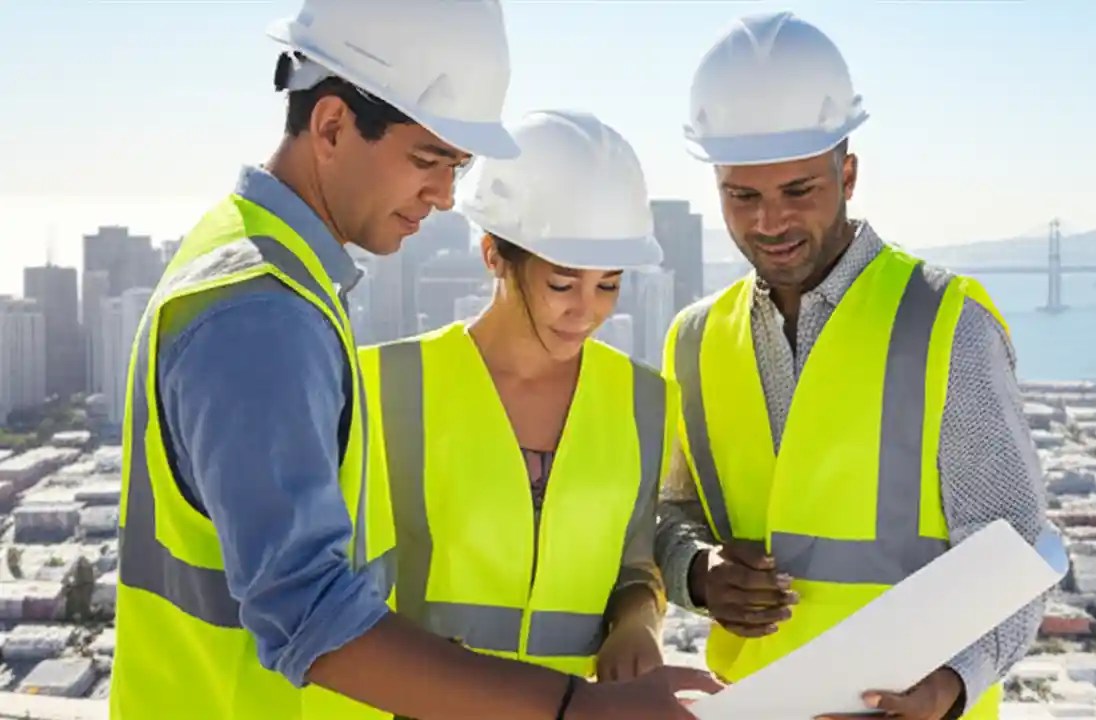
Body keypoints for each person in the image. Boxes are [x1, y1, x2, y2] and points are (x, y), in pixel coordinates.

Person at [108, 2, 715, 718]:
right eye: (428, 160)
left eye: (457, 167)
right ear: (332, 125)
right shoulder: (261, 312)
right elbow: (311, 616)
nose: (445, 195)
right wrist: (574, 709)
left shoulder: (272, 276)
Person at [655, 11, 1051, 720]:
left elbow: (1013, 548)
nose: (769, 223)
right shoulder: (693, 339)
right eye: (742, 196)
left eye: (798, 191)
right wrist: (697, 572)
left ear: (849, 173)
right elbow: (667, 514)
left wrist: (953, 686)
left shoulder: (946, 323)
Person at [358, 109, 719, 718]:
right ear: (494, 254)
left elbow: (634, 563)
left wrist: (639, 626)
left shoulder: (643, 399)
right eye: (562, 283)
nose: (586, 310)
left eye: (608, 284)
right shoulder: (387, 384)